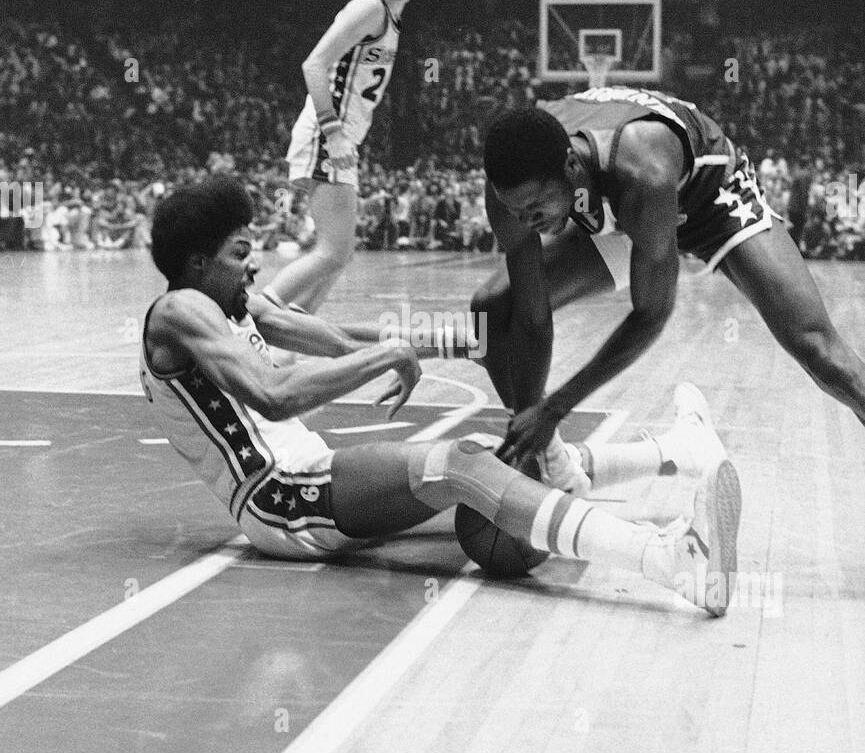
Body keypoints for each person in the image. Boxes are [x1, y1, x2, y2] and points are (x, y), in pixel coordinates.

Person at [138, 176, 742, 614]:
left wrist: (459, 340)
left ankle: (676, 448)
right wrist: (387, 357)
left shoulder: (239, 304)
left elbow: (339, 338)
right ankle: (666, 560)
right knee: (457, 465)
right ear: (195, 263)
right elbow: (272, 393)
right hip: (278, 499)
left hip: (310, 479)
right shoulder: (180, 310)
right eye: (240, 254)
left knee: (498, 460)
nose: (255, 265)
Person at [471, 87, 865, 482]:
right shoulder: (510, 185)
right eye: (515, 210)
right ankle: (550, 463)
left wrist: (555, 407)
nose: (525, 220)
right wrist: (530, 419)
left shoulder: (644, 174)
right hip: (619, 206)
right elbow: (531, 318)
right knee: (493, 308)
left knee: (817, 349)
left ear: (571, 167)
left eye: (536, 207)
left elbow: (651, 314)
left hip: (708, 197)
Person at [262, 0, 432, 312]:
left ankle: (288, 347)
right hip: (328, 134)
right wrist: (334, 132)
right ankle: (253, 317)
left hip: (343, 140)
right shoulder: (370, 7)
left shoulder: (391, 19)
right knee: (334, 253)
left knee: (338, 256)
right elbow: (314, 64)